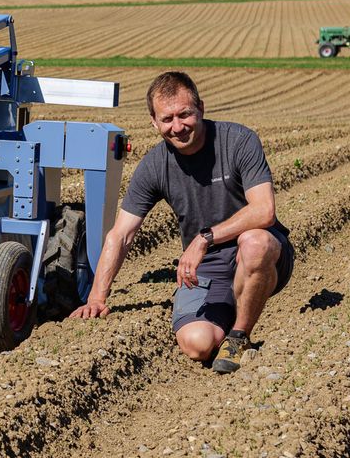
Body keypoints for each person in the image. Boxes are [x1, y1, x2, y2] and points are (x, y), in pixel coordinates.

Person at [69, 71, 294, 374]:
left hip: (263, 252)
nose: (177, 127)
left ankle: (239, 335)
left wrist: (204, 239)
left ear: (200, 107)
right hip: (209, 268)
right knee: (197, 344)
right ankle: (234, 302)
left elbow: (264, 210)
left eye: (184, 114)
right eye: (167, 119)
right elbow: (121, 234)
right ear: (153, 122)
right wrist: (96, 297)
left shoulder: (238, 141)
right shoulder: (155, 165)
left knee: (255, 243)